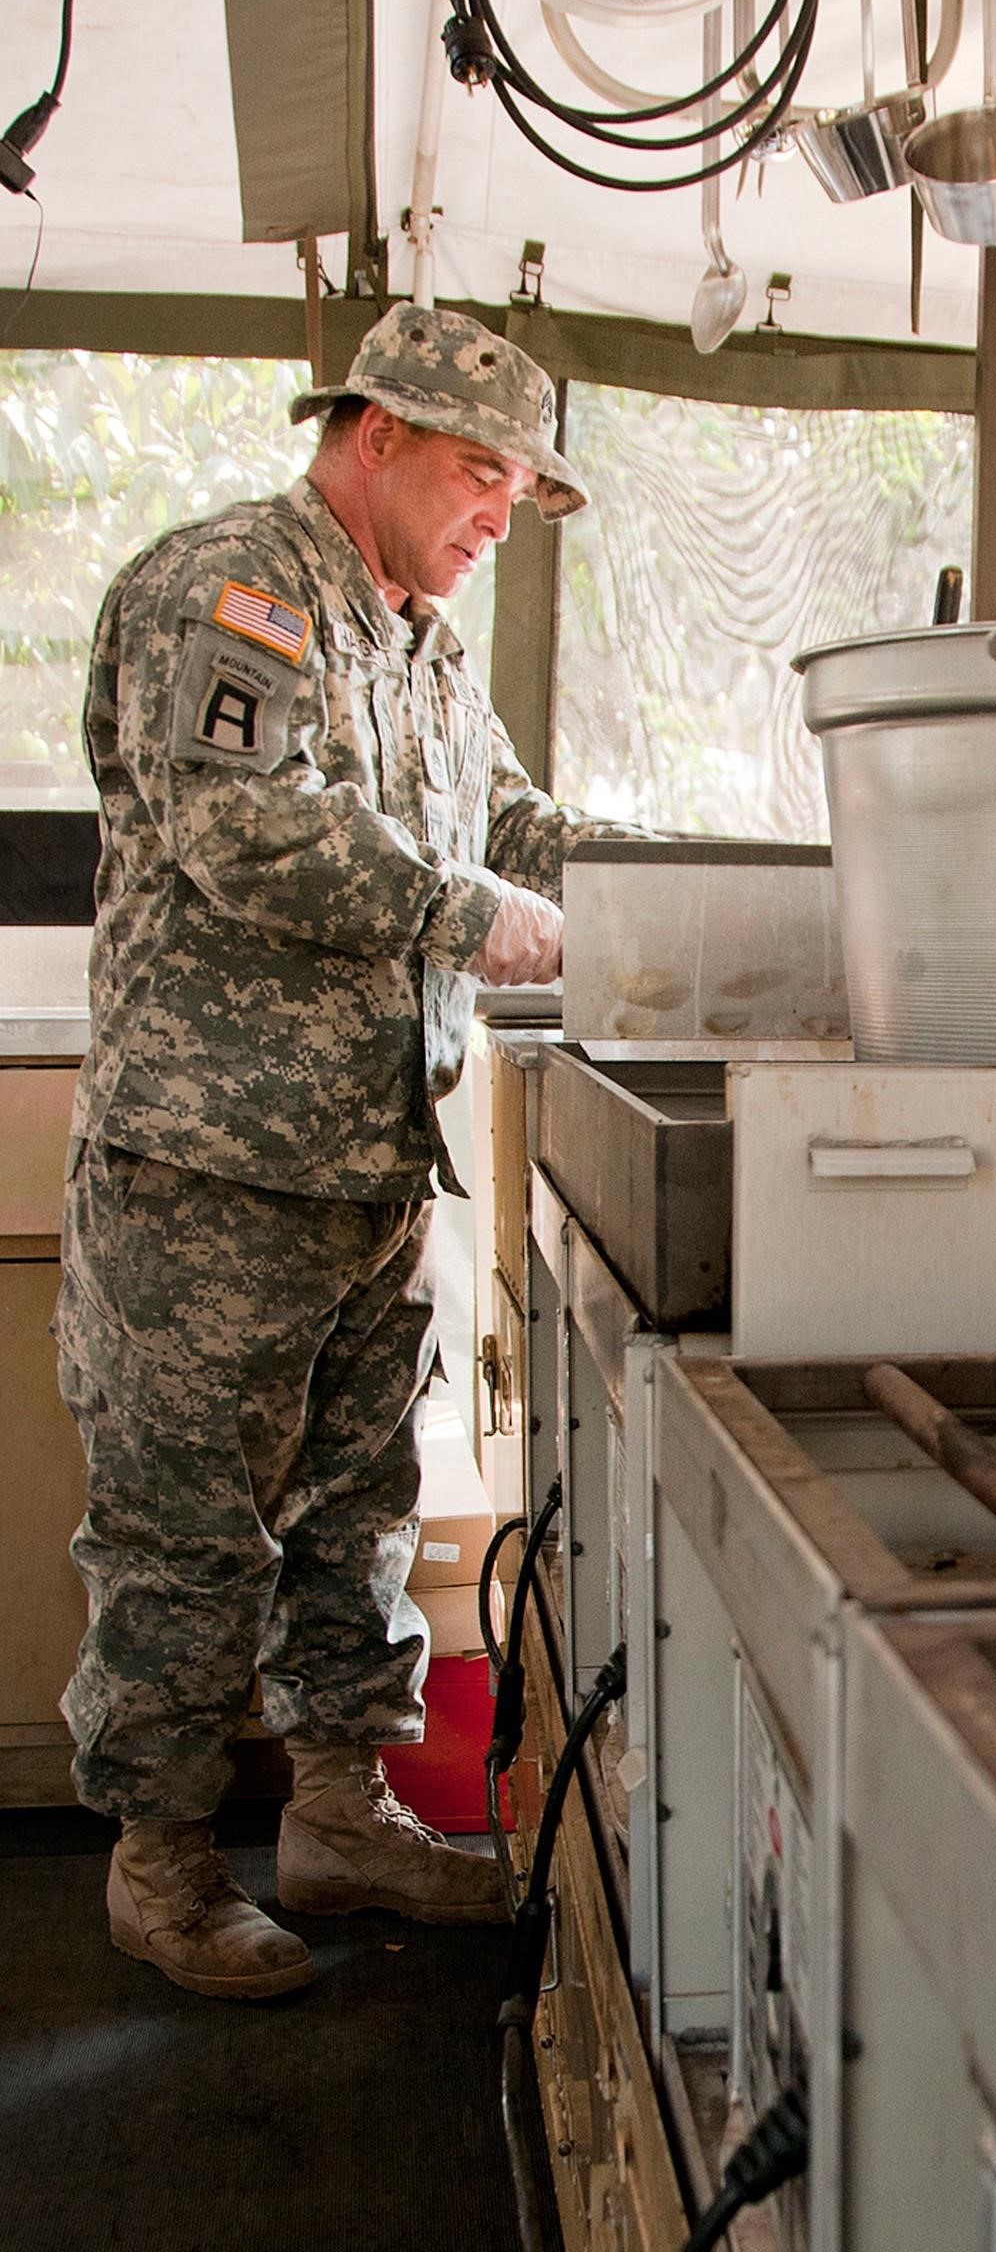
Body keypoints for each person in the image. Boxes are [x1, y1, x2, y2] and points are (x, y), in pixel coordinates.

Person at [58, 301, 608, 1999]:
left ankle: (340, 1814)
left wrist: (674, 878)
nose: (499, 515)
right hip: (209, 1172)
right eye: (478, 472)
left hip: (374, 1167)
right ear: (371, 436)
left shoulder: (425, 641)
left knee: (359, 1519)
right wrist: (476, 916)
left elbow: (509, 817)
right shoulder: (234, 588)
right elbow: (251, 830)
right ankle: (158, 1869)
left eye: (519, 488)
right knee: (186, 1533)